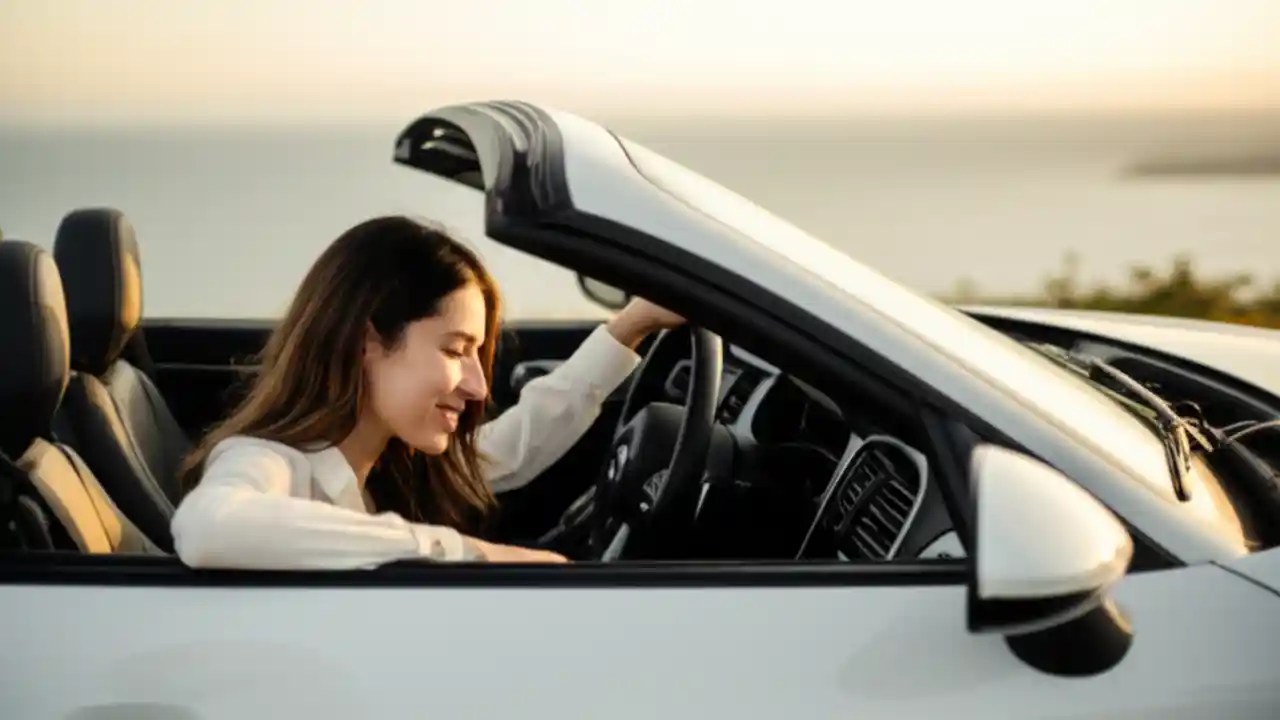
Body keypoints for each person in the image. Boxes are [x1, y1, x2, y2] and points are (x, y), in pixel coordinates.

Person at [170, 216, 682, 569]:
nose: (478, 385)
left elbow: (517, 446)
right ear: (366, 340)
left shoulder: (393, 461)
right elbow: (207, 527)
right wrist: (465, 552)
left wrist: (632, 325)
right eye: (455, 350)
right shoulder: (269, 460)